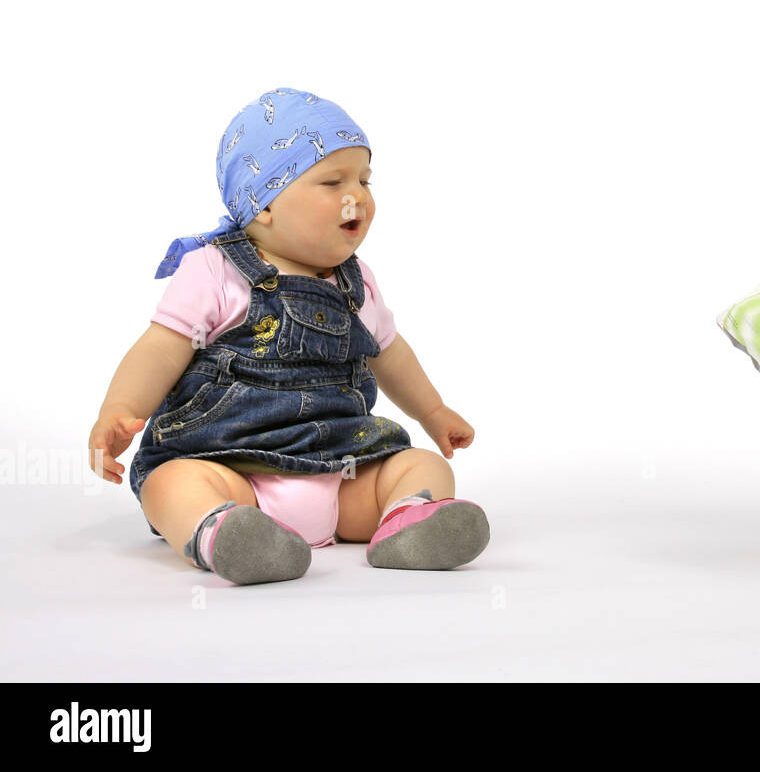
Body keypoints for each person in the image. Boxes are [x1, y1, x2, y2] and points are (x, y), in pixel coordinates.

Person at [88, 88, 489, 585]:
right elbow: (159, 348)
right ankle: (226, 533)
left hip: (343, 471)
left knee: (419, 464)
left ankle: (408, 519)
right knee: (172, 482)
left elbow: (390, 353)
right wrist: (119, 411)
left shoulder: (355, 281)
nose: (357, 196)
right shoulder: (215, 270)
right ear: (264, 206)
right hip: (231, 470)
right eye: (332, 181)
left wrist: (432, 411)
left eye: (364, 179)